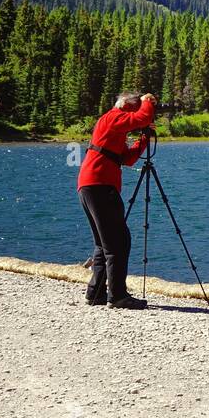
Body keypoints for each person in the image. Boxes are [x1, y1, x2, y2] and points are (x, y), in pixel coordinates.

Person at [78, 91, 156, 309]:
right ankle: (118, 295)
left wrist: (143, 140)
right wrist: (147, 102)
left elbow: (127, 159)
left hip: (91, 185)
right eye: (134, 107)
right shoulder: (113, 116)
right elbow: (142, 118)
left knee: (103, 244)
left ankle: (95, 294)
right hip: (100, 186)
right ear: (125, 106)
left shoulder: (112, 127)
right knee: (118, 242)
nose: (135, 114)